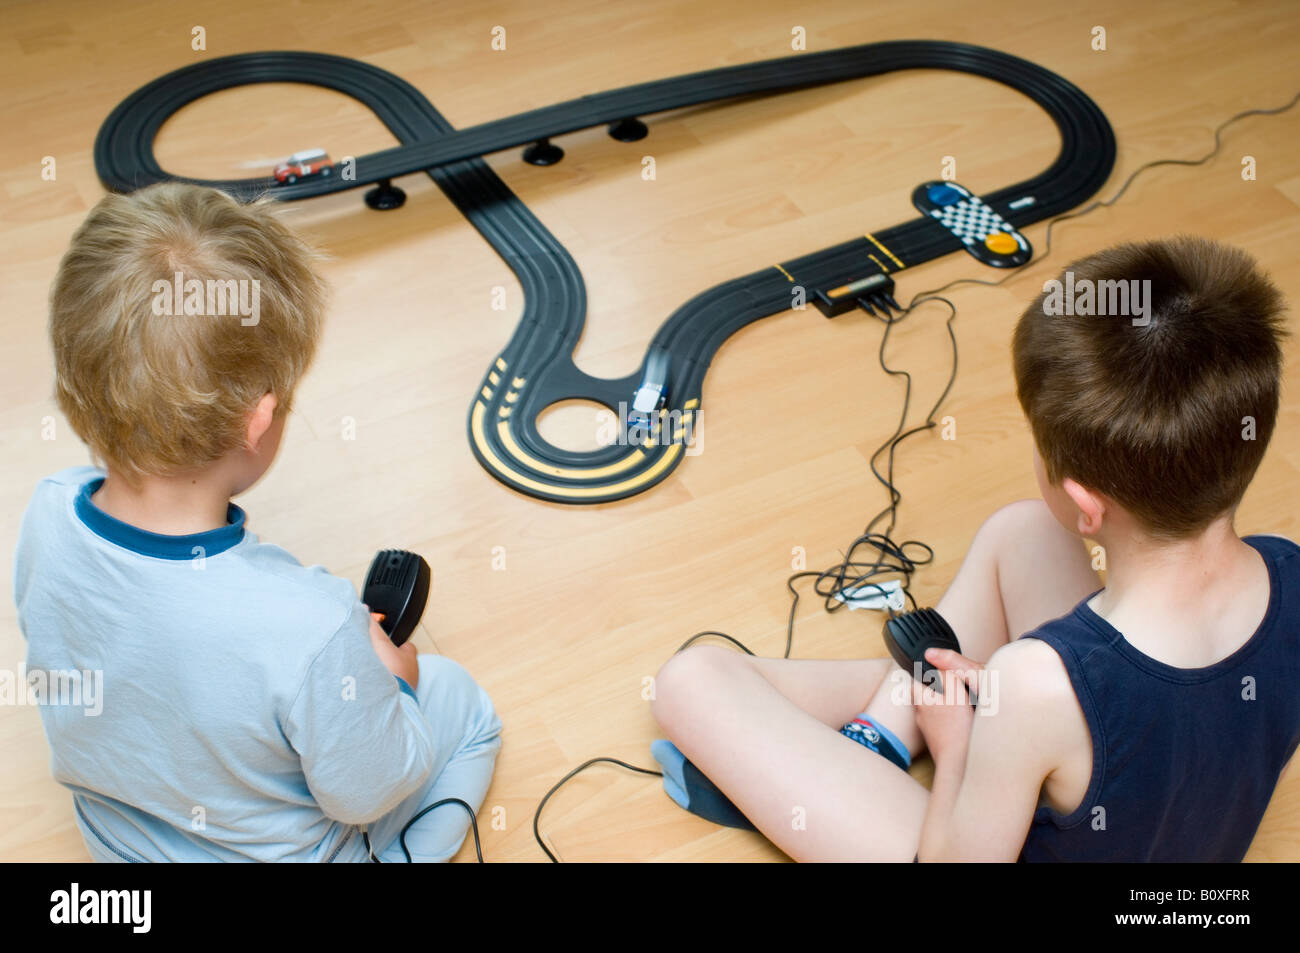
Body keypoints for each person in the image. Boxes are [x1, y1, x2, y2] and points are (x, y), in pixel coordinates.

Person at [651, 236, 1298, 861]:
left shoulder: (1033, 686)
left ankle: (827, 759)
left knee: (691, 679)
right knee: (1024, 532)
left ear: (1086, 503)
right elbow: (1188, 722)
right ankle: (868, 740)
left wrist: (961, 744)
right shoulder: (1290, 570)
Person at [15, 182, 501, 862]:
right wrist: (393, 680)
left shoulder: (45, 511)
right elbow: (365, 790)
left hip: (120, 838)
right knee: (463, 703)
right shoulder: (309, 620)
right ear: (260, 419)